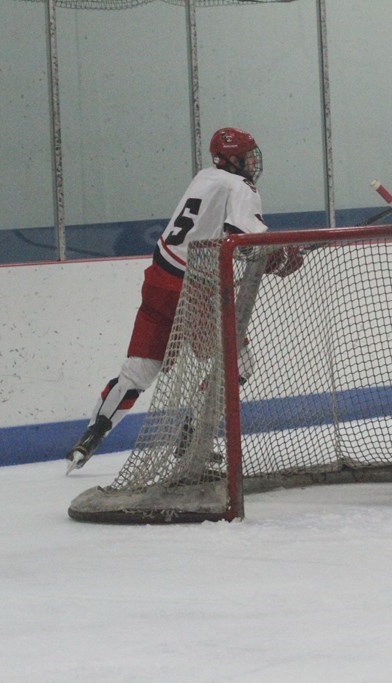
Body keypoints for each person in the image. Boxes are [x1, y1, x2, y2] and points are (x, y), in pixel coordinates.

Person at [66, 127, 301, 473]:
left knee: (139, 370)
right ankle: (193, 437)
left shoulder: (205, 177)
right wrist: (282, 260)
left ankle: (90, 438)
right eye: (247, 157)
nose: (253, 163)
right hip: (196, 290)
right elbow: (245, 243)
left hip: (159, 279)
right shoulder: (240, 187)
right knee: (240, 364)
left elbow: (218, 233)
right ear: (232, 160)